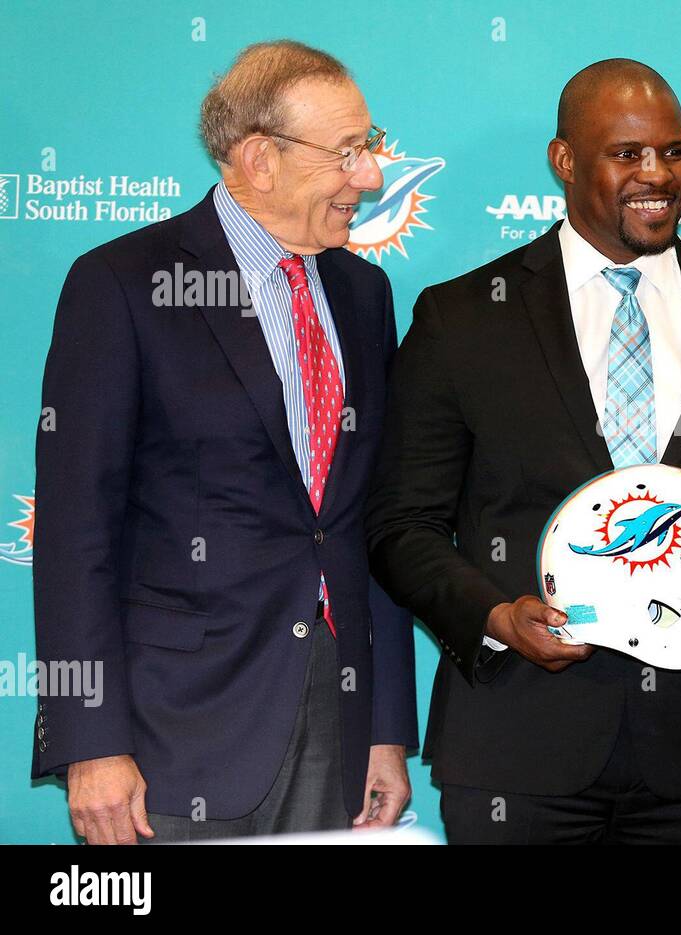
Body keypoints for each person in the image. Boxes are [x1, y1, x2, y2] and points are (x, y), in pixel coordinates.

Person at [366, 59, 681, 844]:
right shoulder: (463, 319)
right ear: (565, 161)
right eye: (627, 153)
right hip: (515, 747)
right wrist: (497, 617)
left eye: (673, 152)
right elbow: (401, 525)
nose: (657, 175)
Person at [32, 40, 417, 843]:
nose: (370, 176)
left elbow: (364, 520)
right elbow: (75, 533)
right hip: (173, 734)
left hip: (335, 724)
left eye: (369, 147)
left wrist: (385, 725)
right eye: (347, 153)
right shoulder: (123, 284)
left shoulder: (364, 291)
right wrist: (91, 742)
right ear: (259, 160)